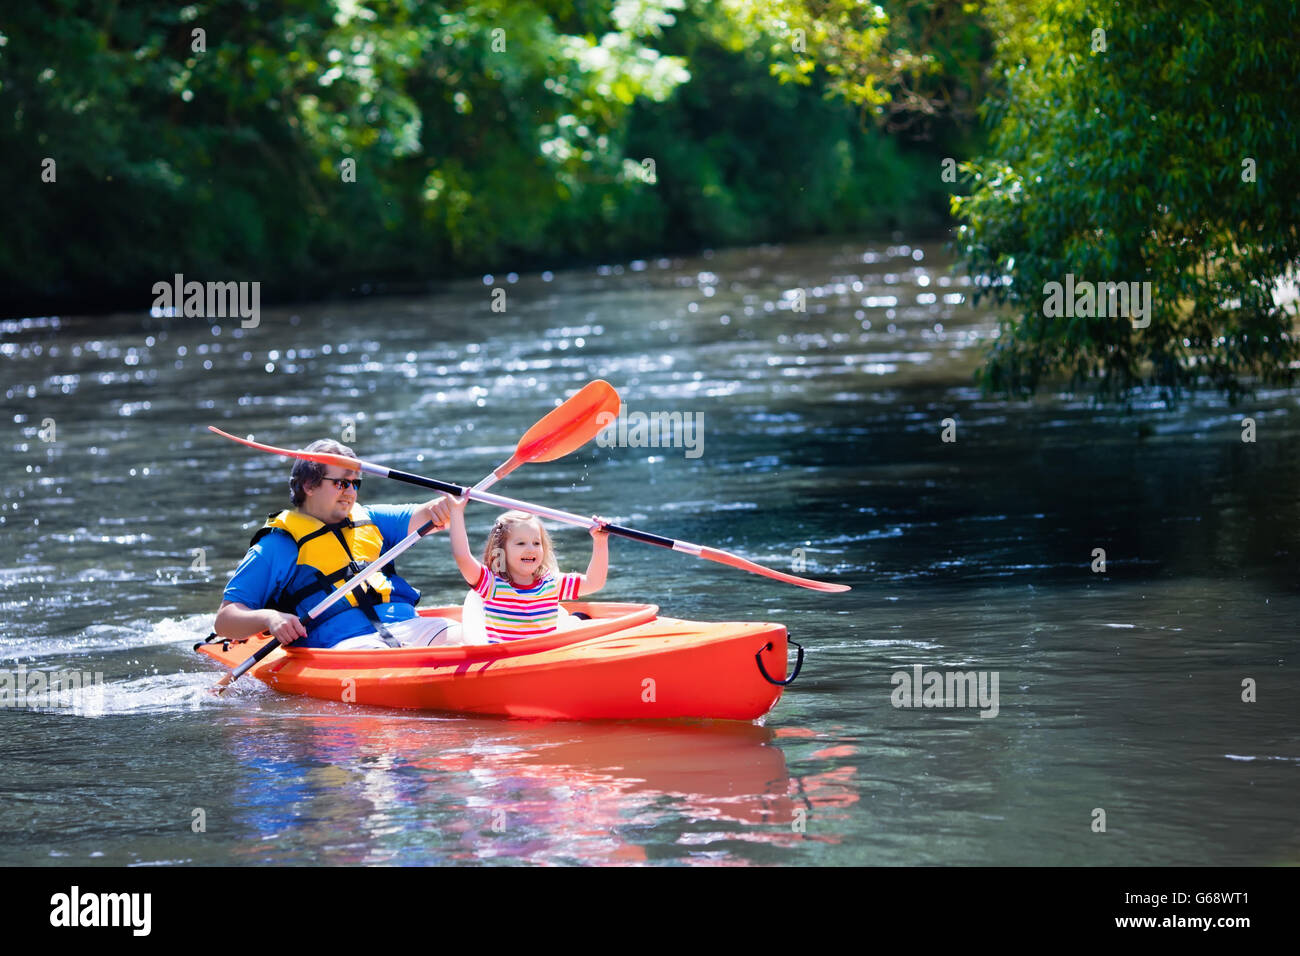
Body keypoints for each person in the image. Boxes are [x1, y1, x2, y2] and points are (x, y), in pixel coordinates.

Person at [214, 439, 463, 649]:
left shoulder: (372, 519)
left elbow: (433, 516)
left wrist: (449, 506)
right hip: (345, 645)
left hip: (409, 626)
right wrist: (271, 618)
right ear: (309, 485)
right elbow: (225, 620)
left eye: (356, 483)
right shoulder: (277, 545)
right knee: (379, 657)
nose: (351, 492)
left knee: (468, 639)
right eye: (342, 483)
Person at [447, 498, 608, 642]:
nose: (531, 549)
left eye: (536, 543)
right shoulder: (492, 585)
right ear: (501, 550)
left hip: (547, 659)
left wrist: (600, 541)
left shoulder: (550, 583)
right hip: (507, 664)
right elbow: (462, 556)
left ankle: (577, 620)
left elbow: (594, 582)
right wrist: (456, 511)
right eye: (521, 543)